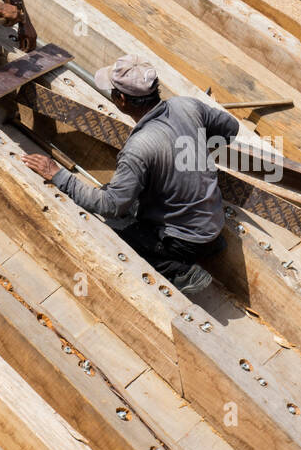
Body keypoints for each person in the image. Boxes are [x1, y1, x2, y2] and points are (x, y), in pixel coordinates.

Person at [20, 54, 240, 295]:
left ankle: (178, 270)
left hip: (184, 239)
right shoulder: (187, 105)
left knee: (113, 225)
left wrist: (58, 175)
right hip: (212, 222)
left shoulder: (139, 148)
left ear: (121, 99)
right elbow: (230, 128)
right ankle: (208, 246)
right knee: (136, 198)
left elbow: (112, 205)